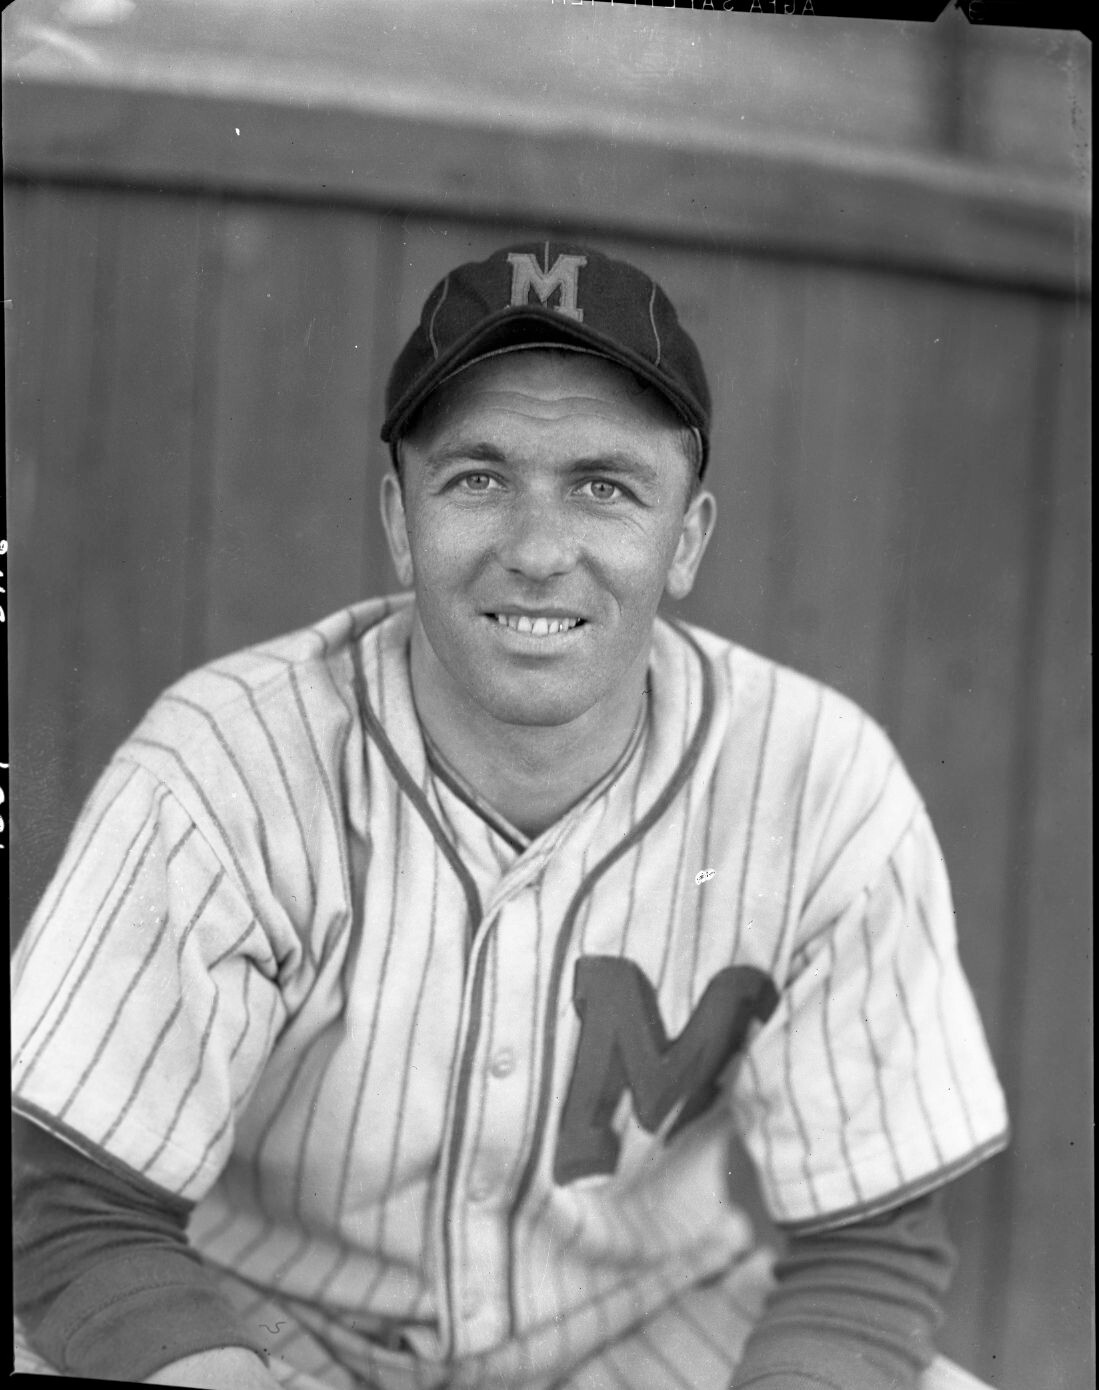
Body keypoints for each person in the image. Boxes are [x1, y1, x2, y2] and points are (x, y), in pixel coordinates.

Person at [12, 242, 1009, 1390]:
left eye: (605, 486)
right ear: (399, 518)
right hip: (275, 1332)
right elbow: (76, 1203)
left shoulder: (826, 786)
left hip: (649, 1335)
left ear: (685, 538)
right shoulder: (221, 762)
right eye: (479, 478)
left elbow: (867, 1243)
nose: (537, 551)